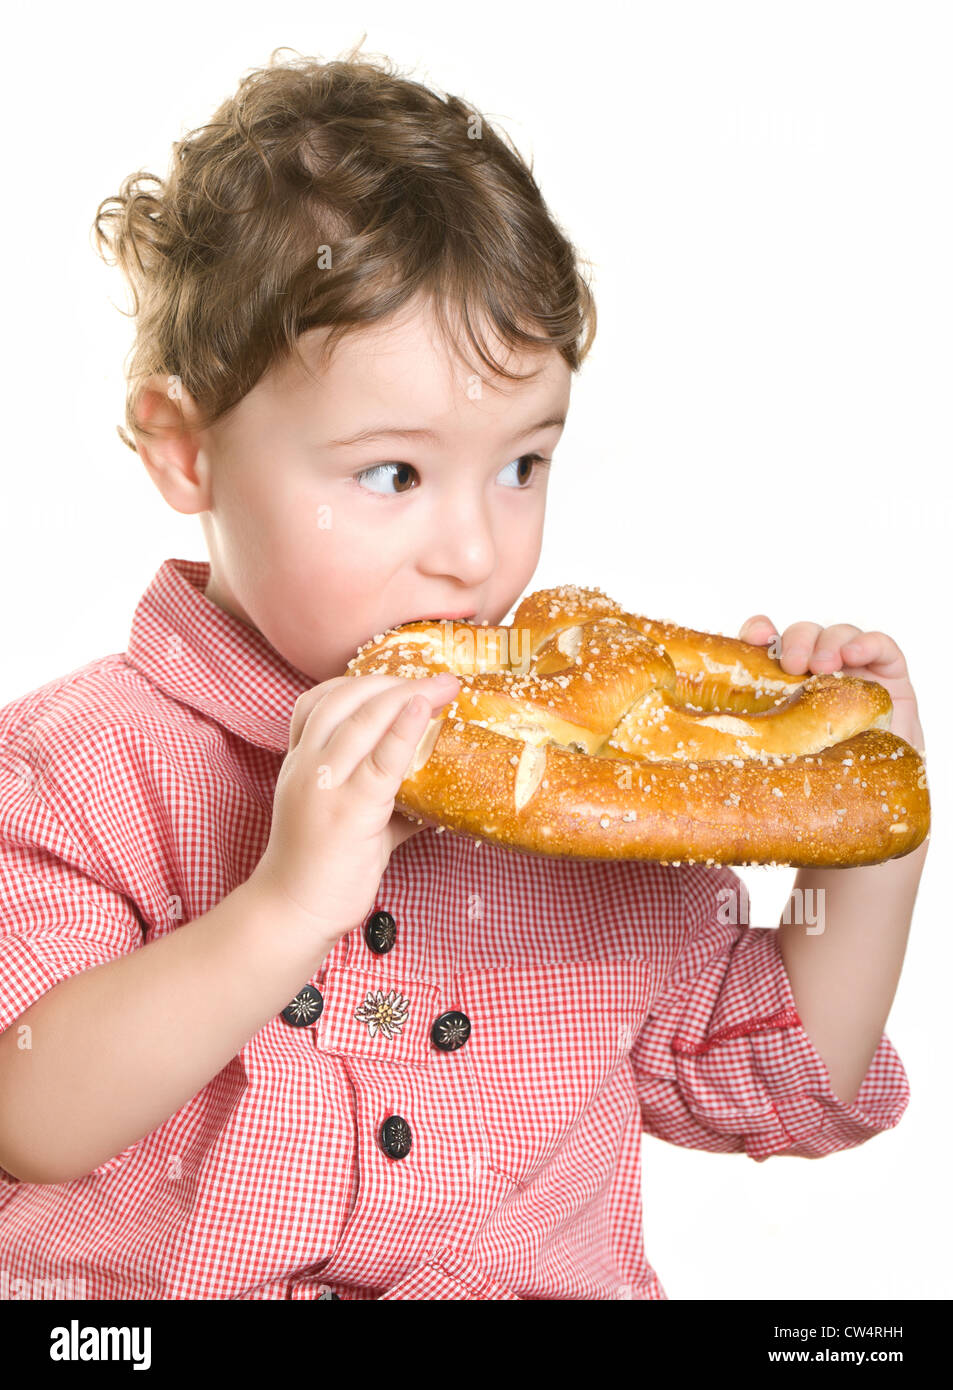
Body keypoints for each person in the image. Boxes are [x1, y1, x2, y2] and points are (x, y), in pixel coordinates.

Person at [0, 43, 926, 1301]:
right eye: (392, 474)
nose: (475, 551)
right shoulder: (80, 773)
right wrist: (278, 911)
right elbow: (26, 1109)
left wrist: (857, 848)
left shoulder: (581, 796)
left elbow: (773, 1075)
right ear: (187, 452)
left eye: (522, 465)